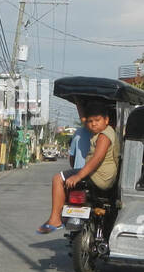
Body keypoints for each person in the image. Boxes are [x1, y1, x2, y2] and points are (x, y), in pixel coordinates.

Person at [37, 100, 118, 233]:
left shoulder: (104, 137)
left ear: (106, 120)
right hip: (104, 177)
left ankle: (55, 219)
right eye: (91, 121)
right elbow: (85, 120)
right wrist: (78, 103)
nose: (93, 124)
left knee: (58, 178)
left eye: (97, 120)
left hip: (99, 176)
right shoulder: (104, 130)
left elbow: (96, 159)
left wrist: (78, 176)